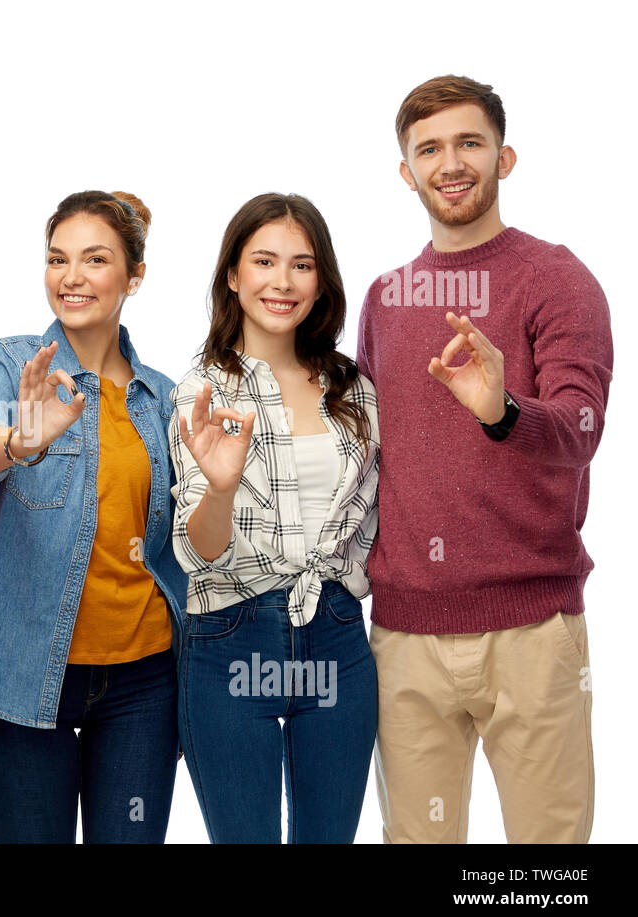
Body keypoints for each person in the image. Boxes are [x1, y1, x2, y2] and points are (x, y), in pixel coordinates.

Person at [358, 75, 611, 844]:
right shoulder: (384, 297)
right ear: (407, 172)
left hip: (531, 630)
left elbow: (581, 425)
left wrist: (502, 410)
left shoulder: (557, 278)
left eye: (469, 142)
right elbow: (366, 453)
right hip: (404, 633)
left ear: (504, 157)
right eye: (429, 148)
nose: (451, 162)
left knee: (549, 864)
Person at [0, 190, 186, 844]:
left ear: (134, 277)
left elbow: (187, 540)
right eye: (58, 259)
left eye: (95, 259)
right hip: (27, 674)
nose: (72, 277)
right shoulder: (12, 362)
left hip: (144, 678)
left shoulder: (161, 397)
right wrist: (25, 438)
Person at [169, 193, 380, 844]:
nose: (282, 282)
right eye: (264, 261)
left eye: (302, 264)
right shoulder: (202, 391)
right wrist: (222, 487)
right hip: (232, 640)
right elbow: (200, 553)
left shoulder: (354, 389)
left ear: (322, 281)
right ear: (233, 275)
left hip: (338, 638)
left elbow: (376, 523)